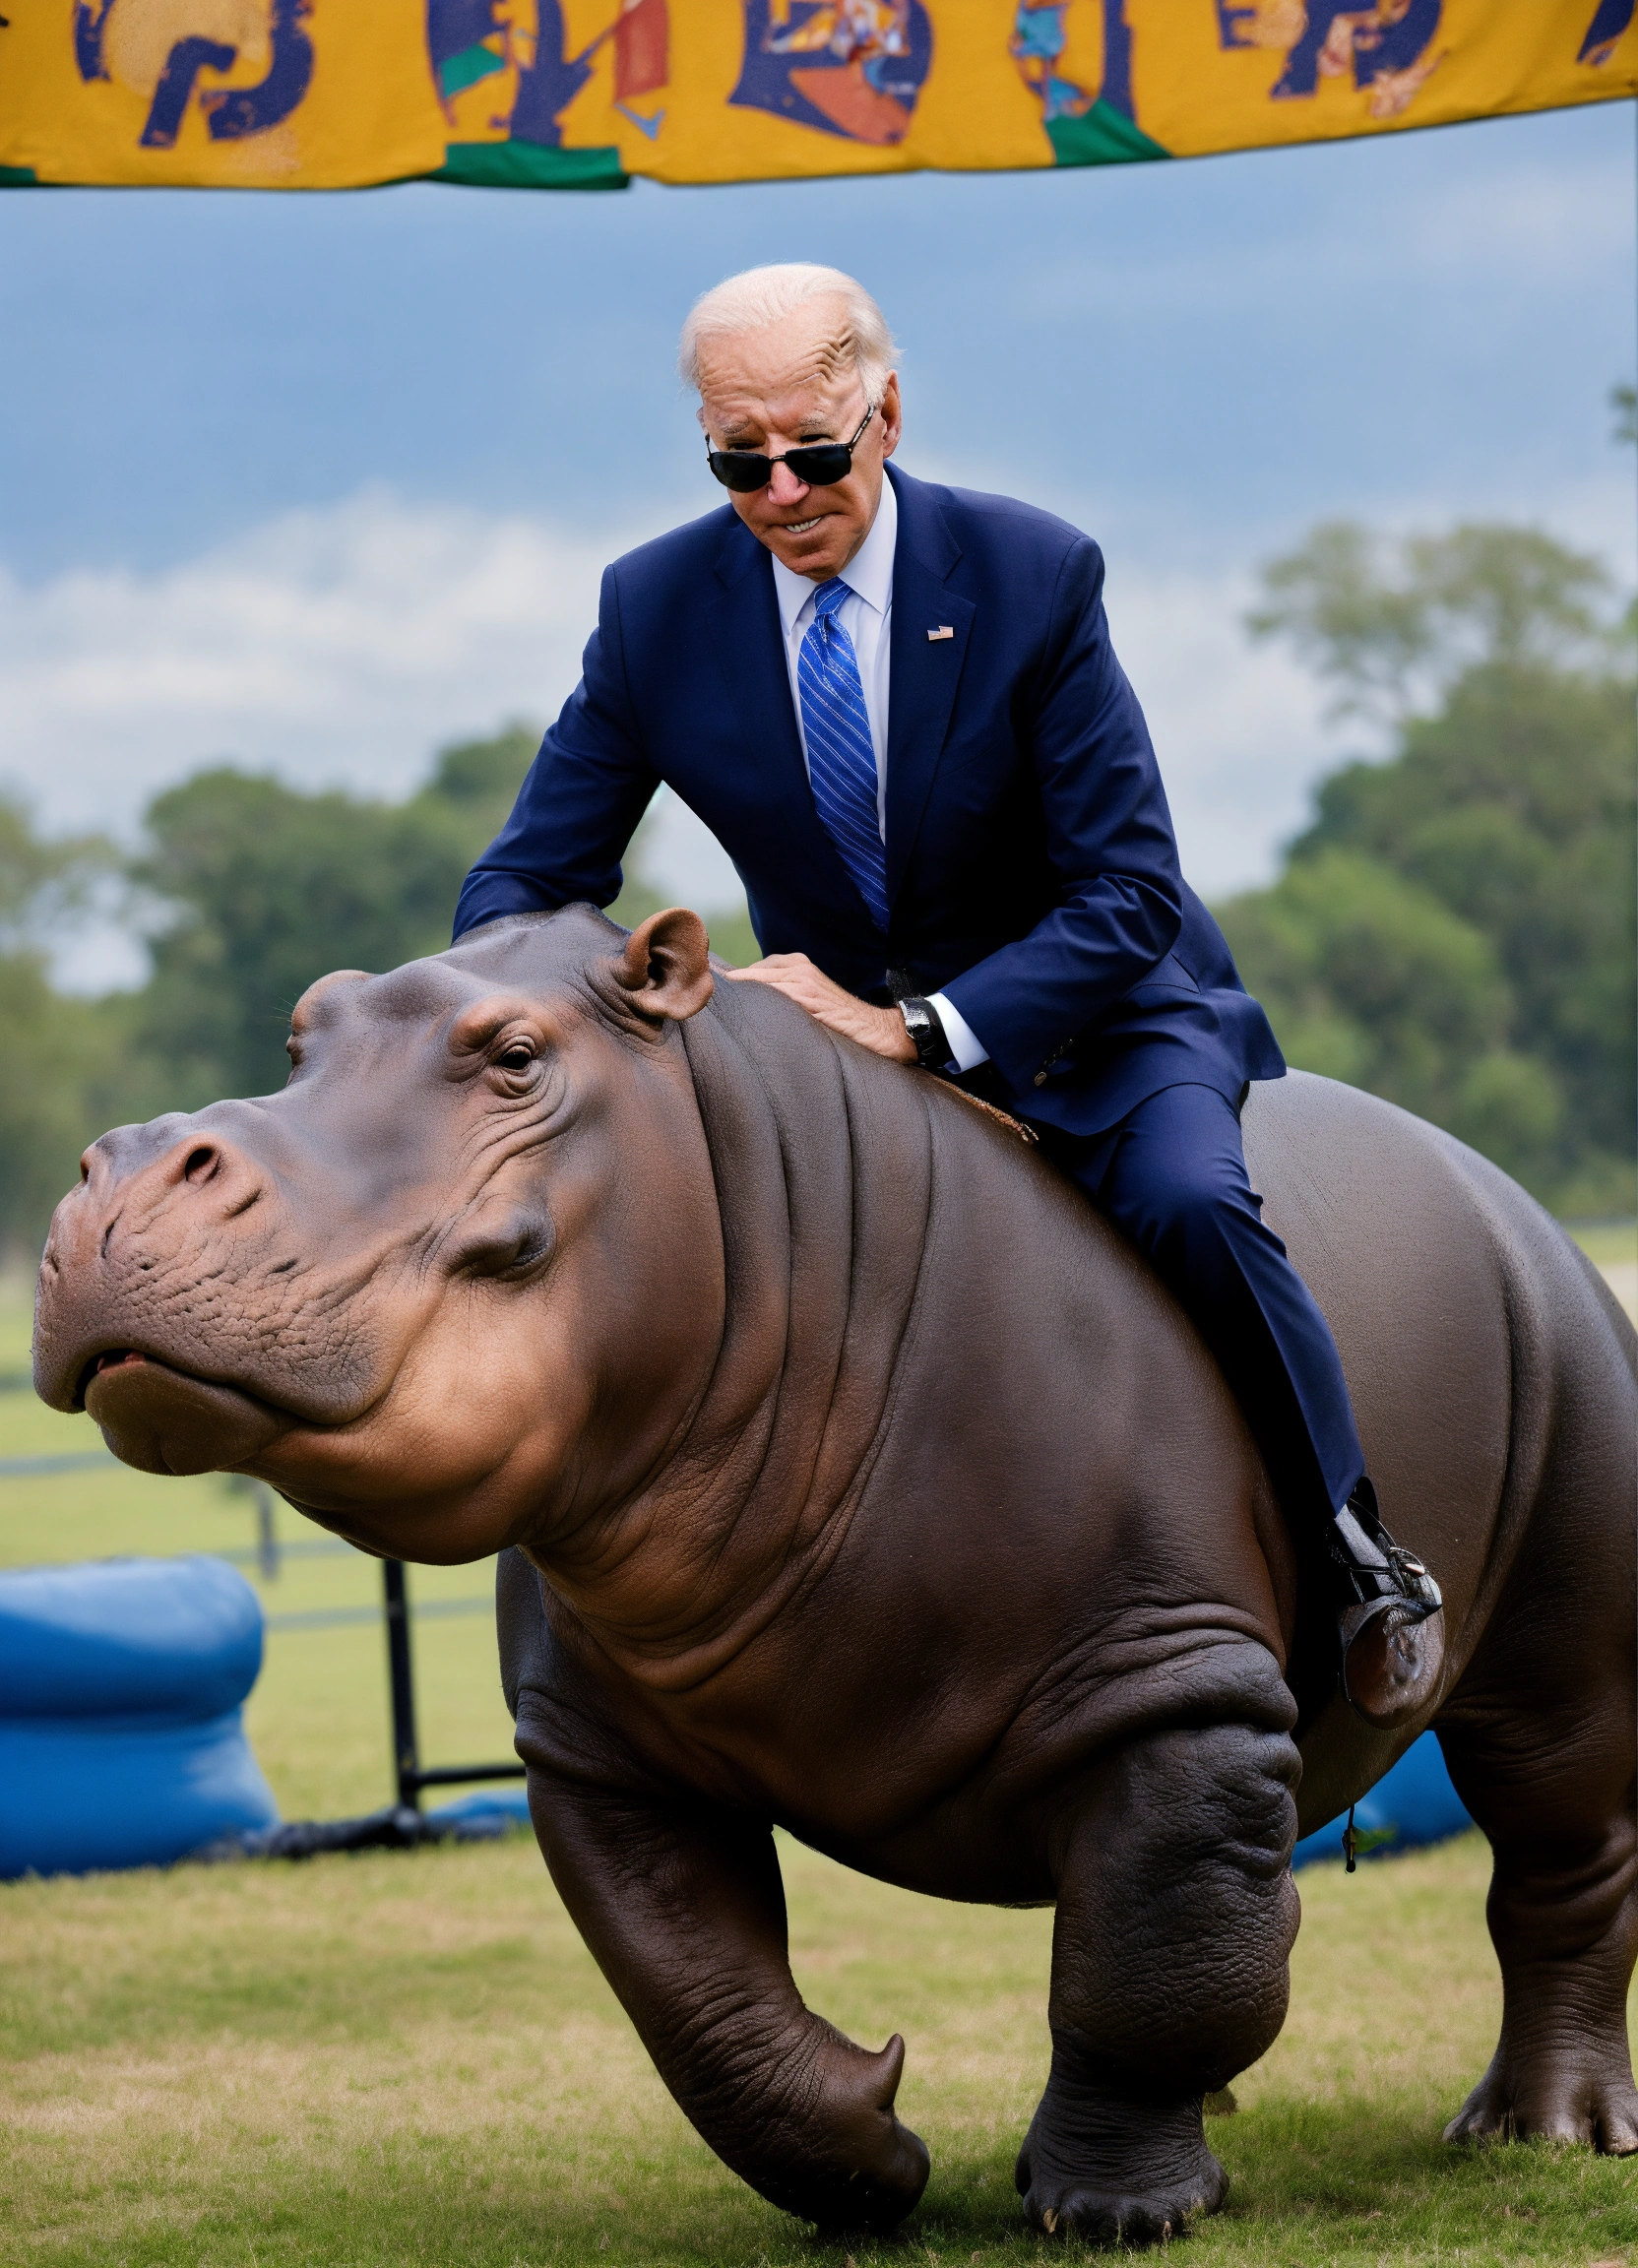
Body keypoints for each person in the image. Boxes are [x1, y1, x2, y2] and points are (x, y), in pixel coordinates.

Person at [453, 261, 1442, 1726]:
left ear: (888, 412)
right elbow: (523, 887)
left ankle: (1359, 1560)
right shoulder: (653, 606)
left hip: (1095, 1018)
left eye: (812, 449)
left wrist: (921, 1030)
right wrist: (554, 1012)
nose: (781, 491)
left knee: (1189, 1201)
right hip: (824, 1056)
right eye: (739, 459)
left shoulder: (1036, 573)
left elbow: (1130, 896)